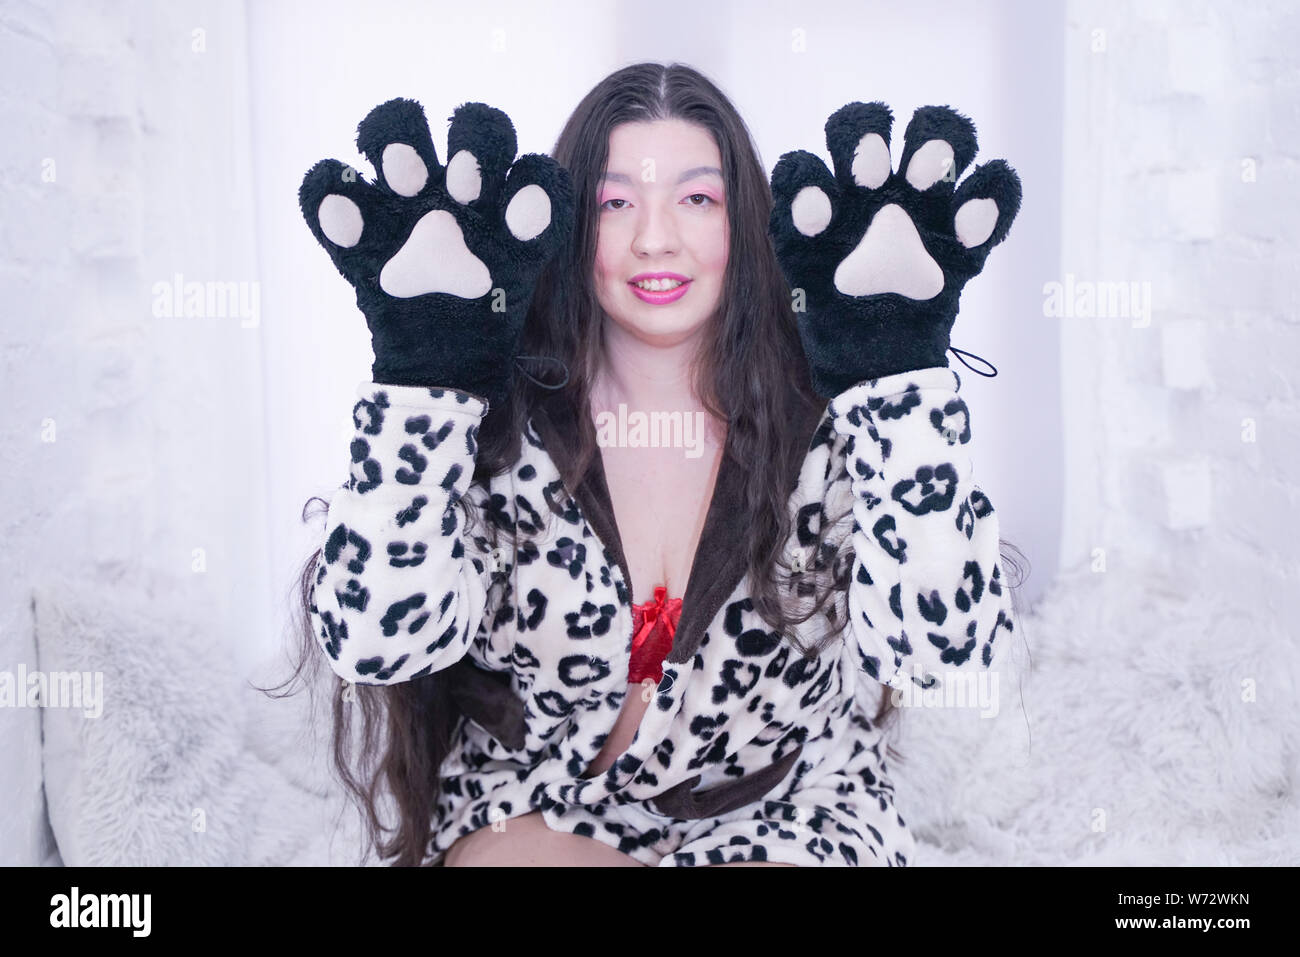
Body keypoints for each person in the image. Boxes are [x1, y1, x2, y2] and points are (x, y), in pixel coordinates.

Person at [277, 61, 1026, 867]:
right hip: (543, 806)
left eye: (696, 198)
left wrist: (898, 382)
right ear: (565, 223)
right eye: (615, 202)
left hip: (789, 805)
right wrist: (420, 381)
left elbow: (942, 658)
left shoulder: (833, 425)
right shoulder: (492, 426)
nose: (654, 238)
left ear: (743, 221)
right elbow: (376, 643)